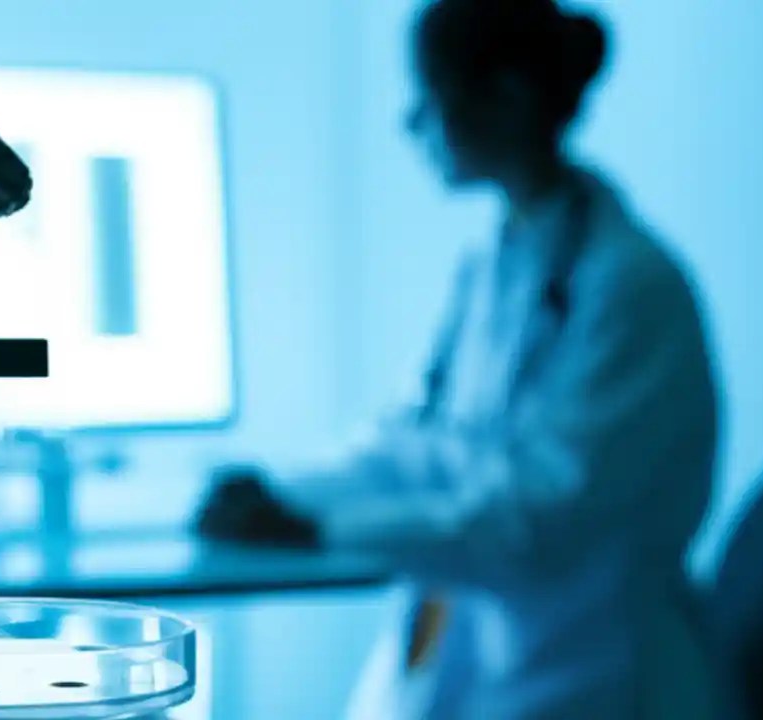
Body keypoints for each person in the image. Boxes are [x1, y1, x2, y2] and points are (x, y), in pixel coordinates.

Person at [196, 1, 730, 718]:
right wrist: (283, 493)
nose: (411, 123)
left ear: (506, 98)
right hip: (483, 650)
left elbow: (539, 519)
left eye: (429, 95)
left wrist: (318, 528)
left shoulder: (631, 286)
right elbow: (419, 441)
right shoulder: (495, 267)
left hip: (594, 676)